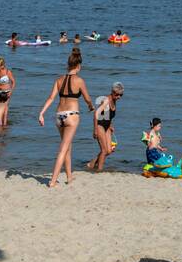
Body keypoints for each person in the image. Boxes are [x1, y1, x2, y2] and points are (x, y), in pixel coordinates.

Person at [38, 47, 94, 188]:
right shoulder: (79, 81)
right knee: (63, 148)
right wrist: (91, 106)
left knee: (67, 145)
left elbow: (51, 98)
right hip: (71, 116)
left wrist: (42, 113)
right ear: (78, 66)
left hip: (58, 116)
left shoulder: (59, 80)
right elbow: (87, 99)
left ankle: (69, 176)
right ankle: (53, 181)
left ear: (68, 65)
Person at [87, 83, 124, 173]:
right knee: (104, 150)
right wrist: (95, 129)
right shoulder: (106, 100)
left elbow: (109, 115)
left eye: (121, 95)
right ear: (112, 92)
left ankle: (91, 164)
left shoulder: (114, 101)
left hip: (107, 127)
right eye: (117, 94)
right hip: (99, 125)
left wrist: (111, 125)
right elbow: (96, 114)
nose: (118, 97)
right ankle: (99, 170)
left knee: (109, 150)